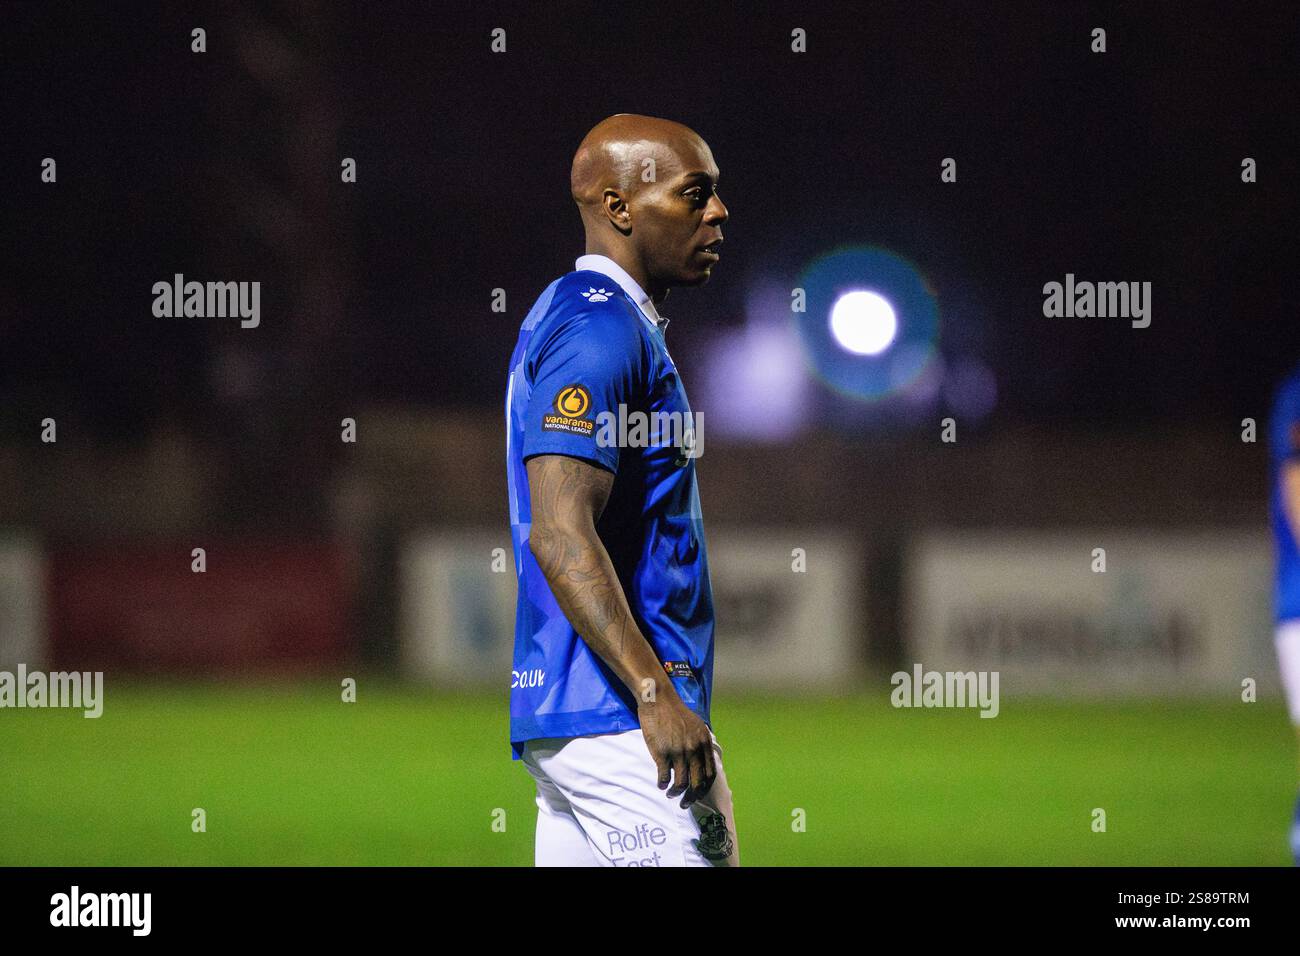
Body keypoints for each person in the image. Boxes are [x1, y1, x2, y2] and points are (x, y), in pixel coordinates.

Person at [503, 113, 737, 866]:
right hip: (622, 724)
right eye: (693, 194)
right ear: (620, 208)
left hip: (578, 715)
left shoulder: (586, 319)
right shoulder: (599, 332)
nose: (718, 212)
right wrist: (653, 694)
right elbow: (560, 531)